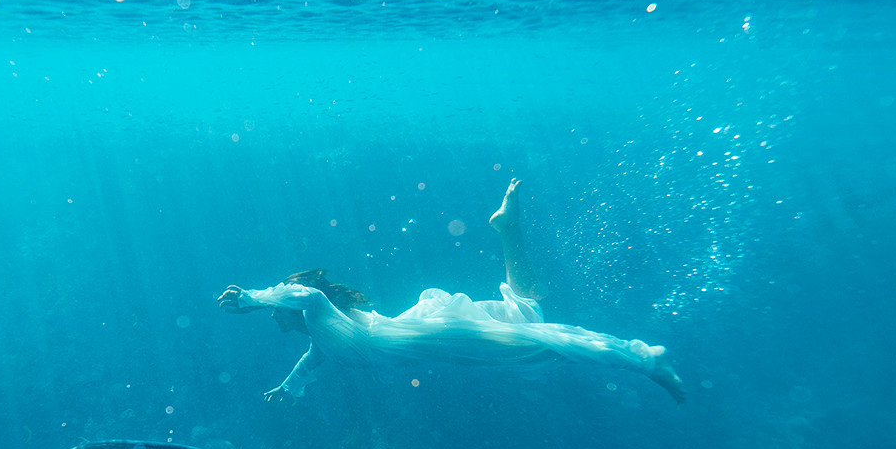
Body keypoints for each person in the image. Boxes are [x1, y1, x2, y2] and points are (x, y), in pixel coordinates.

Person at [217, 179, 687, 404]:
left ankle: (645, 359)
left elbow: (307, 297)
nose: (276, 319)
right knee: (530, 318)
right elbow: (317, 356)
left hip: (428, 339)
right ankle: (508, 229)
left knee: (536, 341)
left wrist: (252, 300)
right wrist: (290, 385)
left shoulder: (317, 313)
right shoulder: (324, 334)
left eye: (278, 308)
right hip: (426, 341)